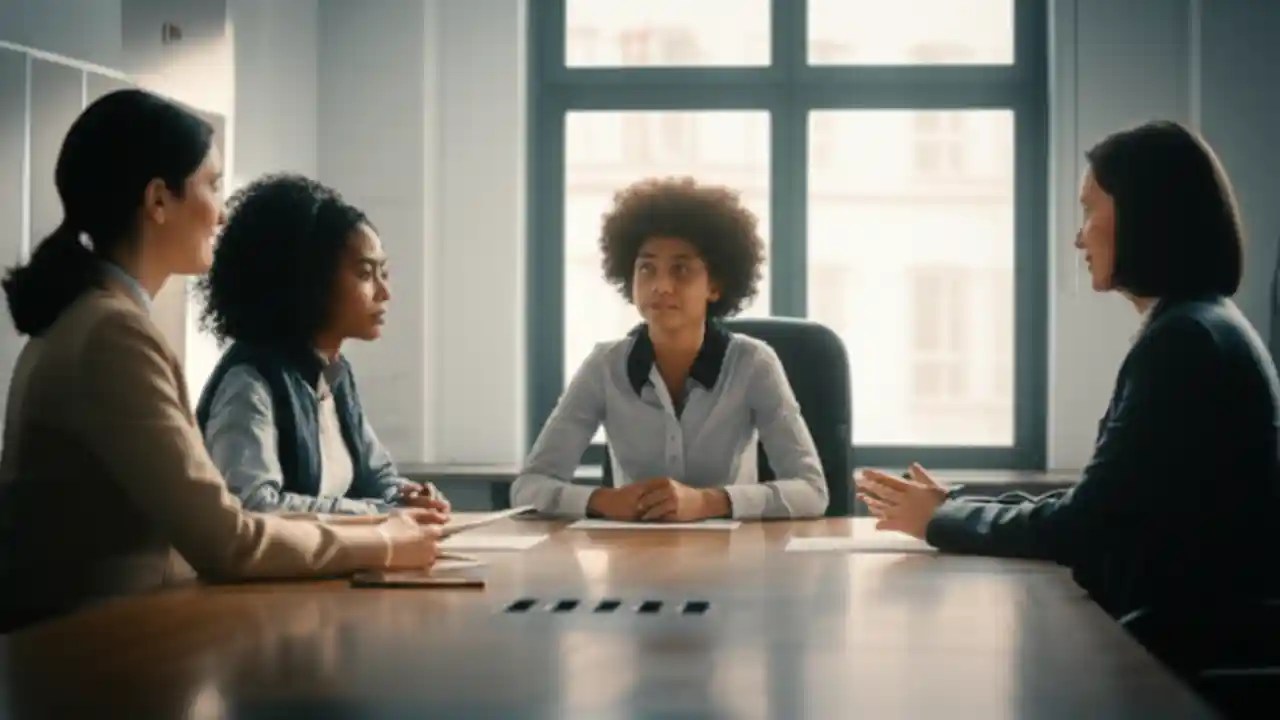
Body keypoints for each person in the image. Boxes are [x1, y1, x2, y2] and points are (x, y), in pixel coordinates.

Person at [0, 90, 442, 631]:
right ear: (159, 201)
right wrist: (381, 540)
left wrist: (387, 526)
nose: (223, 211)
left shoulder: (95, 319)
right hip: (97, 652)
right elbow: (228, 537)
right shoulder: (113, 335)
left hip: (114, 637)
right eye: (212, 185)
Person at [857, 120, 1280, 620]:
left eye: (1088, 210)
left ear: (1144, 214)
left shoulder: (1183, 340)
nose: (1079, 238)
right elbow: (1110, 501)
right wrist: (952, 504)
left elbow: (1085, 526)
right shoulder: (1200, 323)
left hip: (1170, 647)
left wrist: (941, 520)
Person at [512, 177, 828, 521]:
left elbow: (812, 491)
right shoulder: (604, 366)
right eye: (647, 268)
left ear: (715, 284)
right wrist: (603, 500)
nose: (661, 286)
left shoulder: (754, 364)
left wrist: (709, 502)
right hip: (633, 559)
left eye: (681, 269)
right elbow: (529, 487)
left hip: (731, 562)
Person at [194, 174, 448, 515]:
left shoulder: (334, 372)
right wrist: (379, 513)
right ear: (307, 280)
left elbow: (377, 478)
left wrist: (407, 497)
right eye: (364, 274)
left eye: (383, 273)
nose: (385, 293)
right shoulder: (249, 382)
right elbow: (252, 506)